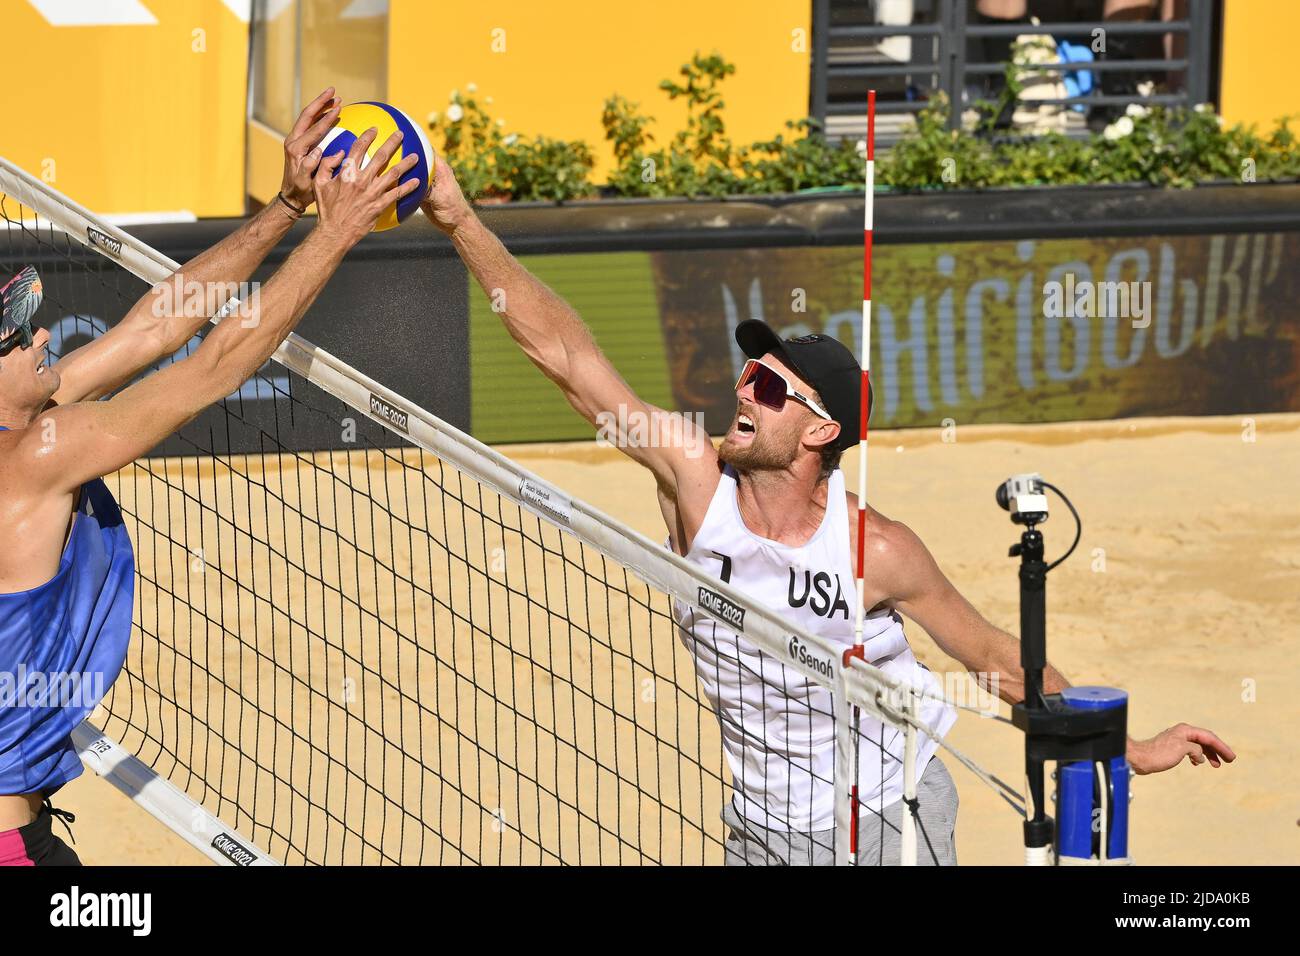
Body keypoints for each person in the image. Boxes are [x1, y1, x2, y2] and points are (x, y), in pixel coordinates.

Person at [420, 154, 1236, 865]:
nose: (743, 390)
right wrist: (458, 219)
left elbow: (990, 652)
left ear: (821, 430)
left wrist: (1122, 751)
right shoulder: (693, 480)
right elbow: (567, 357)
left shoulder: (873, 550)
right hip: (761, 830)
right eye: (748, 374)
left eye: (769, 387)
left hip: (888, 820)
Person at [0, 88, 421, 865]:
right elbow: (216, 367)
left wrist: (288, 206)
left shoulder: (30, 428)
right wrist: (335, 234)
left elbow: (160, 322)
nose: (44, 335)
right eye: (20, 333)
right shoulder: (34, 457)